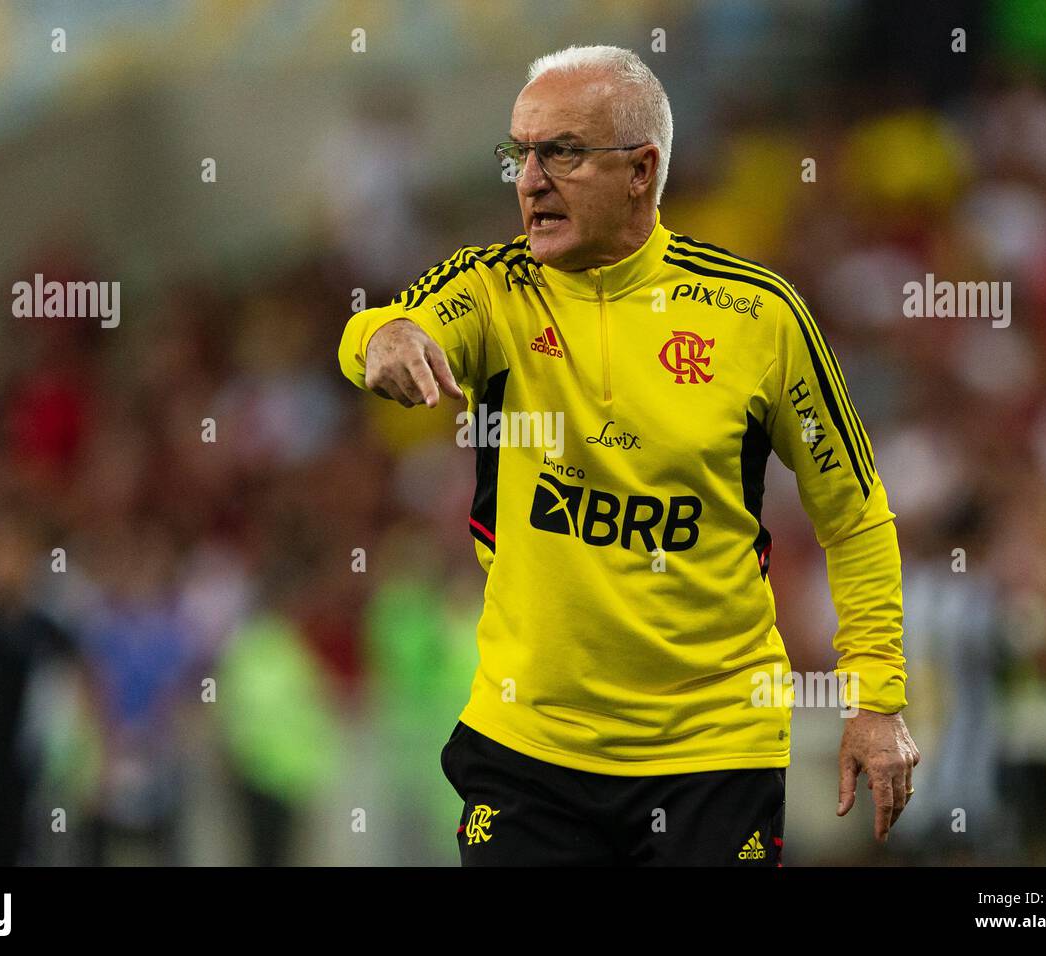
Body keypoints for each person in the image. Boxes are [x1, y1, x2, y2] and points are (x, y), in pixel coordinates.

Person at [338, 44, 920, 866]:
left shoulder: (758, 317)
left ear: (642, 170)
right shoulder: (495, 290)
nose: (529, 179)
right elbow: (390, 326)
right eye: (519, 152)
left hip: (711, 754)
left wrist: (876, 699)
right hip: (529, 749)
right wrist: (385, 335)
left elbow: (853, 515)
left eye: (562, 152)